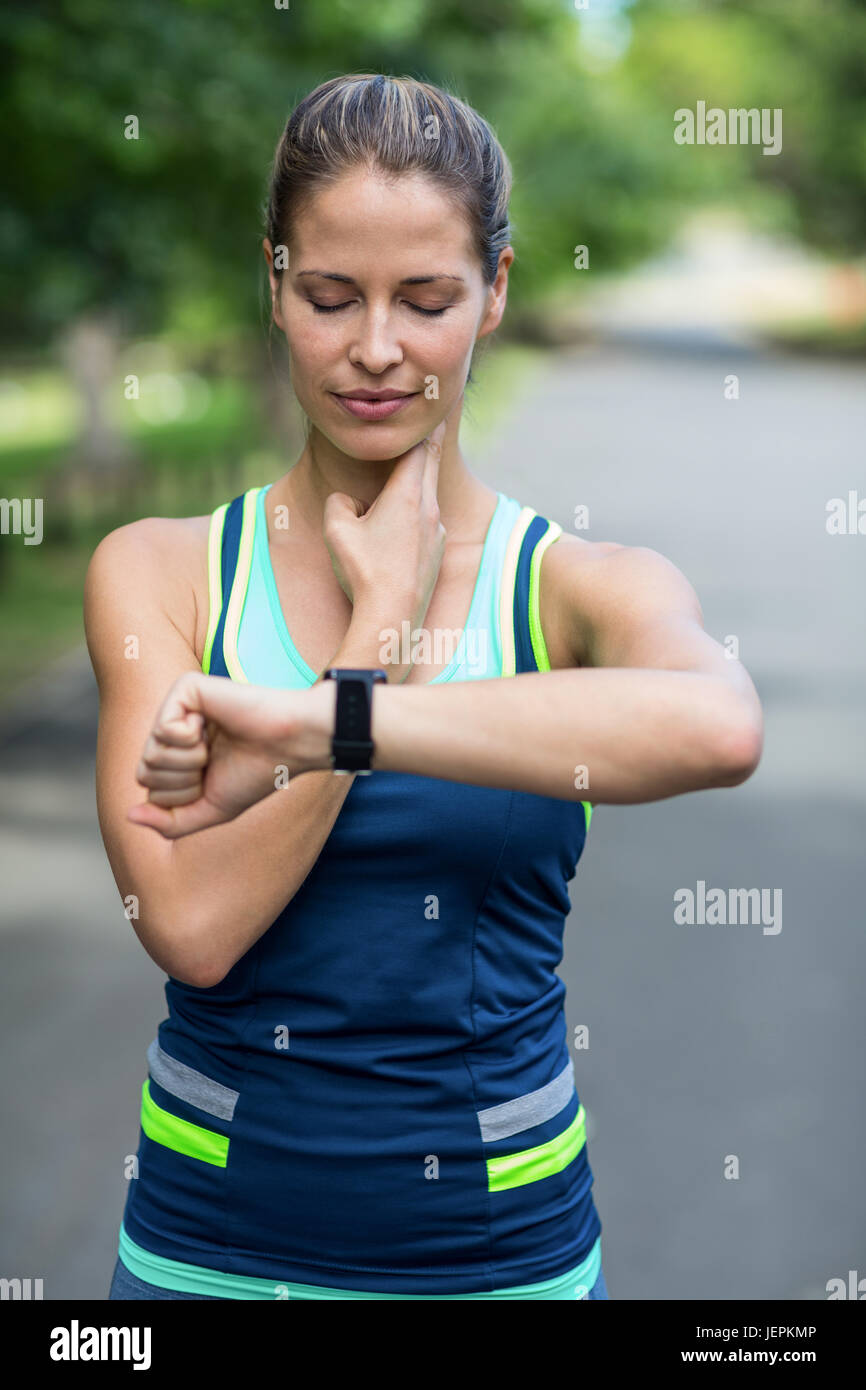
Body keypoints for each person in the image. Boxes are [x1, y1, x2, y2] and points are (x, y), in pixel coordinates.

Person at [86, 73, 763, 1301]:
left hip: (499, 1262)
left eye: (429, 298)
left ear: (495, 291)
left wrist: (325, 720)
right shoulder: (162, 572)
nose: (377, 349)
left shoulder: (572, 586)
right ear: (275, 282)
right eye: (331, 296)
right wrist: (377, 634)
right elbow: (189, 929)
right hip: (203, 1253)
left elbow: (718, 726)